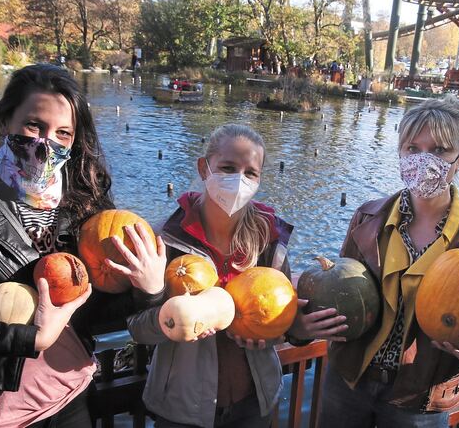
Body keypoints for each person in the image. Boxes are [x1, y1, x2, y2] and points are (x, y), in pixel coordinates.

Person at [0, 64, 166, 427]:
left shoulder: (82, 206)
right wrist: (33, 338)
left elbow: (91, 310)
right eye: (35, 126)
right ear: (5, 122)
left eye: (63, 133)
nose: (47, 143)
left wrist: (148, 291)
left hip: (70, 397)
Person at [125, 123, 344, 428]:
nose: (238, 180)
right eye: (227, 168)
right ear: (204, 168)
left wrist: (297, 328)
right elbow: (138, 329)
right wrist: (168, 315)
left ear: (259, 179)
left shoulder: (269, 238)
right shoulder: (166, 238)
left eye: (250, 173)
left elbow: (280, 313)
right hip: (182, 408)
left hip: (253, 404)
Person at [319, 95, 459, 428]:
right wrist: (303, 325)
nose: (424, 160)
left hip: (420, 398)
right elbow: (338, 287)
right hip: (348, 380)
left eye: (439, 150)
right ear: (400, 152)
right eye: (413, 148)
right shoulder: (367, 217)